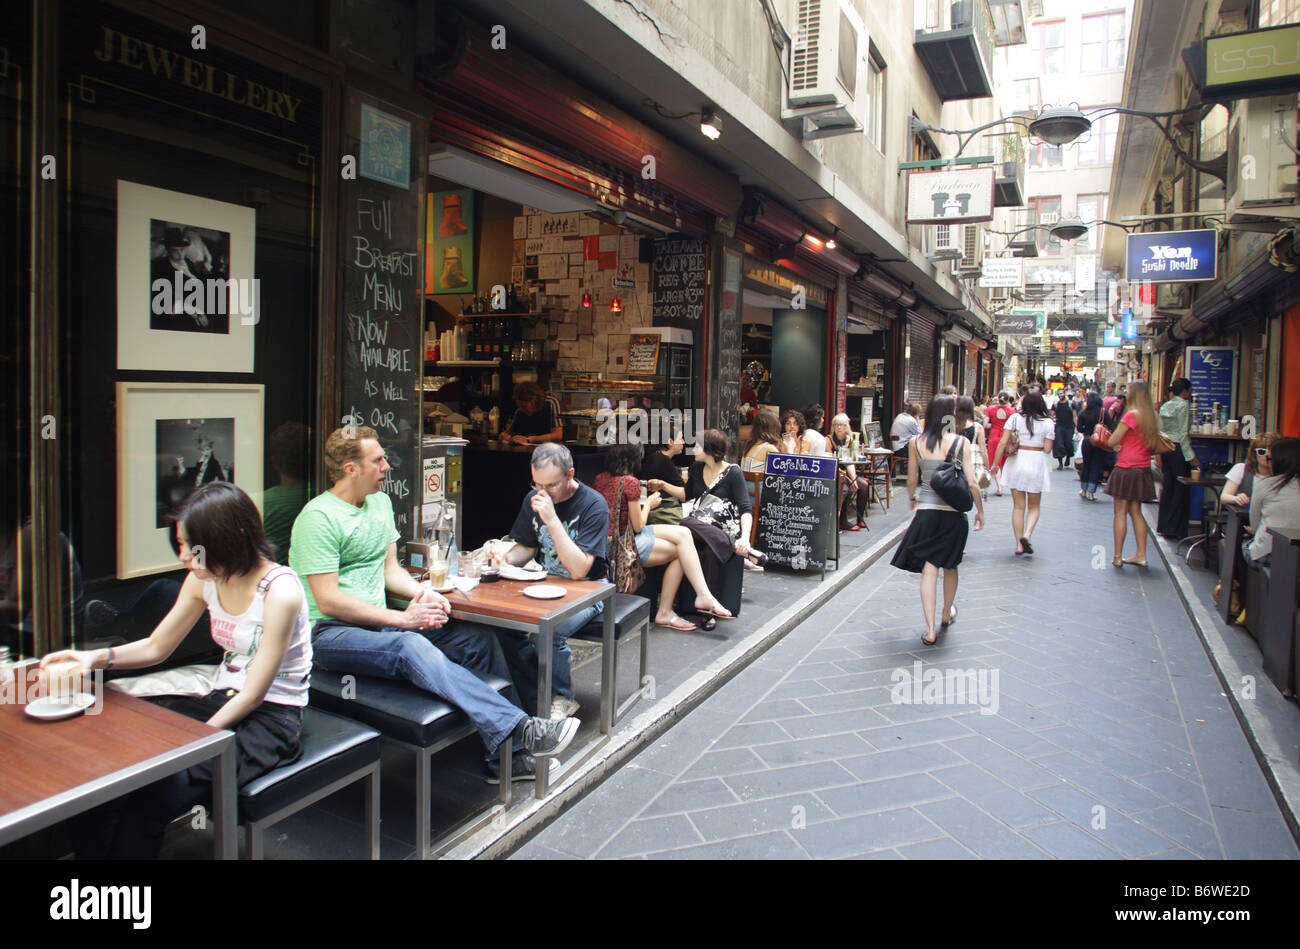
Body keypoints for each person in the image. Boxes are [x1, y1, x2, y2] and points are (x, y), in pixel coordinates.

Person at [291, 426, 576, 784]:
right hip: (331, 635)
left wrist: (421, 594)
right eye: (377, 460)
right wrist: (402, 619)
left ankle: (506, 759)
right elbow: (328, 601)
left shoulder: (379, 503)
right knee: (407, 643)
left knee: (478, 639)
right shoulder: (317, 518)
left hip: (379, 627)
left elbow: (390, 569)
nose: (387, 466)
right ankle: (521, 729)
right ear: (350, 469)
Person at [41, 482, 312, 858]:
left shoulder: (280, 591)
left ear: (223, 541)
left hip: (271, 717)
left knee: (156, 793)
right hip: (221, 698)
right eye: (181, 544)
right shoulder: (205, 581)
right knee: (101, 774)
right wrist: (94, 658)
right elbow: (157, 646)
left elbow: (253, 694)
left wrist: (188, 742)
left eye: (189, 545)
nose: (182, 554)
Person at [494, 441, 610, 718]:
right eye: (537, 485)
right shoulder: (531, 499)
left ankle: (562, 696)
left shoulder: (594, 504)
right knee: (503, 626)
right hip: (545, 583)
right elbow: (527, 547)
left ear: (570, 475)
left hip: (590, 589)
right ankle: (532, 692)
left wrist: (552, 520)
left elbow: (579, 570)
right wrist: (502, 560)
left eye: (551, 486)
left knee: (551, 630)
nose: (542, 493)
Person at [594, 443, 731, 631]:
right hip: (623, 543)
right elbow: (638, 525)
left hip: (608, 541)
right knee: (681, 551)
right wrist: (649, 504)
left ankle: (702, 595)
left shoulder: (600, 479)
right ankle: (667, 610)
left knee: (684, 534)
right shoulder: (630, 482)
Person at [891, 395, 984, 645]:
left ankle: (930, 629)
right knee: (951, 565)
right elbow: (973, 483)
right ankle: (946, 613)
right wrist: (981, 511)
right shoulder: (961, 442)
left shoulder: (916, 442)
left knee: (929, 570)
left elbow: (912, 480)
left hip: (927, 513)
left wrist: (913, 498)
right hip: (953, 514)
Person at [680, 429, 761, 627]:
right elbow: (686, 495)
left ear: (709, 449)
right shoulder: (696, 469)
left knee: (710, 550)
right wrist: (663, 486)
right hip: (698, 526)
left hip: (721, 531)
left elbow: (745, 509)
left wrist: (745, 538)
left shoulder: (733, 472)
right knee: (684, 524)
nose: (693, 449)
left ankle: (709, 611)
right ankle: (731, 545)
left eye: (697, 445)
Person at [1217, 432, 1278, 617]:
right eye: (1262, 451)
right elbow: (1224, 496)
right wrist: (1236, 498)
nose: (1267, 456)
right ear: (1254, 453)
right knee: (1239, 546)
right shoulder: (1242, 470)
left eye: (1272, 451)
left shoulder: (1282, 477)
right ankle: (1239, 596)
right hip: (1243, 528)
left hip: (1267, 530)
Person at [1104, 380, 1161, 568]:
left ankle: (1118, 555)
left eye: (1128, 390)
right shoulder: (1151, 416)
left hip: (1126, 467)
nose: (1126, 393)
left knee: (1120, 512)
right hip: (1142, 468)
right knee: (1136, 511)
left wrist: (1117, 444)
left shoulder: (1131, 415)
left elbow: (1112, 440)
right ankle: (1141, 554)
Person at [990, 391, 1054, 556]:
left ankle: (1019, 543)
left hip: (1016, 462)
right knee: (1034, 506)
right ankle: (1027, 534)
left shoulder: (1015, 418)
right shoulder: (1048, 422)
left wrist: (995, 464)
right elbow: (1047, 449)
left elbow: (1003, 442)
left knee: (1018, 506)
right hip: (1036, 462)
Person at [1245, 438, 1300, 566]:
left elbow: (1255, 524)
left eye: (1269, 459)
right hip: (1296, 557)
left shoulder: (1266, 485)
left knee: (1243, 545)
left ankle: (1233, 585)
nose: (1268, 462)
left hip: (1269, 553)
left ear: (1278, 461)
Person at [1156, 378, 1199, 540]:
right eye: (1190, 390)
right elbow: (1183, 434)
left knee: (1169, 486)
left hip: (1166, 448)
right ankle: (1175, 528)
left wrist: (1158, 452)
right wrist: (1191, 457)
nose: (1190, 394)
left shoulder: (1165, 406)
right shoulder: (1183, 406)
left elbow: (1160, 431)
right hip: (1179, 450)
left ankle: (1164, 524)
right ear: (1185, 391)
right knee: (1180, 488)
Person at [830, 412, 870, 531]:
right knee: (845, 487)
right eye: (836, 425)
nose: (838, 427)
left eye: (841, 425)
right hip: (836, 474)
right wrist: (849, 480)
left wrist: (853, 480)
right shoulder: (829, 440)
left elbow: (850, 462)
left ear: (846, 427)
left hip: (846, 473)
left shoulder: (850, 440)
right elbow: (830, 462)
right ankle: (843, 521)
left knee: (863, 485)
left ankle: (860, 518)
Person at [643, 421, 688, 524]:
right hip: (660, 512)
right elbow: (685, 492)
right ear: (670, 442)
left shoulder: (655, 456)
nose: (683, 442)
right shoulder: (663, 460)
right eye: (681, 438)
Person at [499, 381, 562, 446]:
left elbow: (559, 435)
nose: (521, 409)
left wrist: (530, 439)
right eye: (519, 406)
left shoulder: (551, 403)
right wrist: (505, 436)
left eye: (524, 406)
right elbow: (510, 432)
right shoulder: (520, 411)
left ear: (534, 400)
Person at [955, 396, 990, 502]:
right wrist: (987, 467)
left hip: (957, 462)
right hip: (974, 463)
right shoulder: (977, 427)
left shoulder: (954, 425)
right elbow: (983, 450)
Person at [1076, 390, 1106, 501]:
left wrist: (1086, 430)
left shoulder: (1083, 413)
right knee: (1096, 466)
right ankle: (1091, 493)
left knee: (1086, 465)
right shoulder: (1103, 412)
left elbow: (1079, 429)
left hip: (1087, 440)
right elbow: (1110, 427)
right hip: (1099, 442)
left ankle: (1083, 490)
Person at [986, 393, 1014, 498]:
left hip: (994, 437)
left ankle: (999, 487)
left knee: (995, 462)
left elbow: (985, 424)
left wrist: (994, 424)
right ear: (1008, 400)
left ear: (998, 399)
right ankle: (1003, 485)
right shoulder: (1011, 411)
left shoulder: (990, 409)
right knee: (1004, 462)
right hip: (1006, 438)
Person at [1052, 391, 1076, 471]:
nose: (1060, 395)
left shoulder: (1071, 404)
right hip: (1059, 426)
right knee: (1059, 443)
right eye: (1059, 394)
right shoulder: (1056, 404)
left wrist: (1077, 428)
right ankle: (1060, 463)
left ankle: (1068, 457)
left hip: (1069, 426)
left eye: (1061, 393)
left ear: (1065, 394)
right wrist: (1054, 418)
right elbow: (1052, 414)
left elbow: (1074, 416)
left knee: (1068, 443)